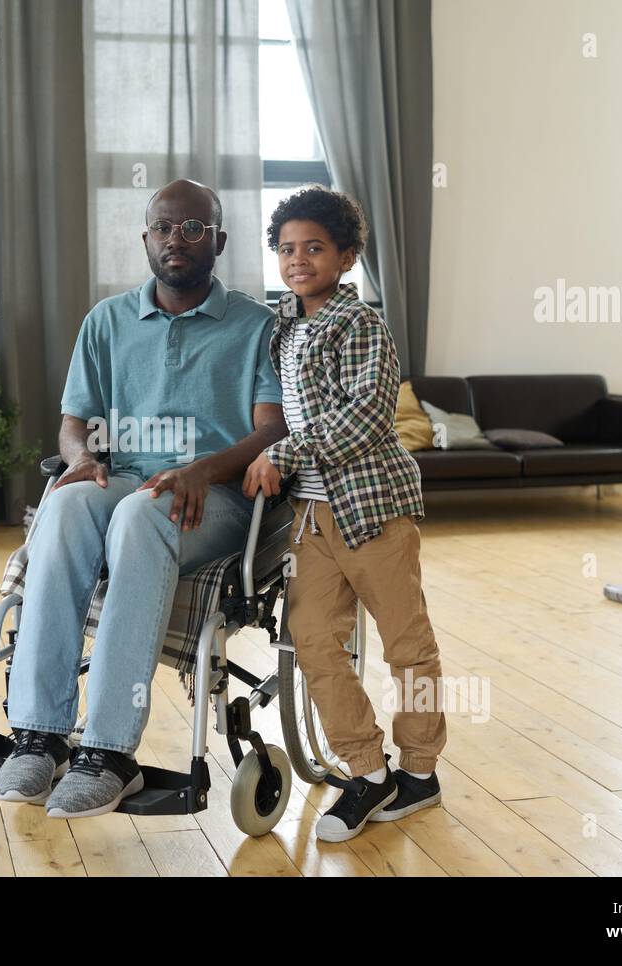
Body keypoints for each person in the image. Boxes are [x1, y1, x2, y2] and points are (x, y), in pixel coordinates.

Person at [0, 179, 287, 819]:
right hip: (127, 479)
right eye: (162, 228)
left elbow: (271, 428)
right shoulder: (106, 321)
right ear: (146, 238)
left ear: (219, 239)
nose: (175, 240)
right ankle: (39, 732)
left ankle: (108, 751)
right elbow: (75, 423)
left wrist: (201, 470)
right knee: (67, 506)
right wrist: (81, 461)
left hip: (216, 497)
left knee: (136, 514)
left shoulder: (257, 325)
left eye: (192, 228)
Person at [242, 185, 447, 842]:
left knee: (407, 646)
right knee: (309, 639)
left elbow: (364, 418)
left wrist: (284, 451)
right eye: (286, 249)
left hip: (372, 510)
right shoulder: (283, 323)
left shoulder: (362, 325)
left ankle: (419, 772)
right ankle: (366, 769)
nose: (297, 259)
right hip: (310, 518)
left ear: (347, 256)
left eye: (314, 248)